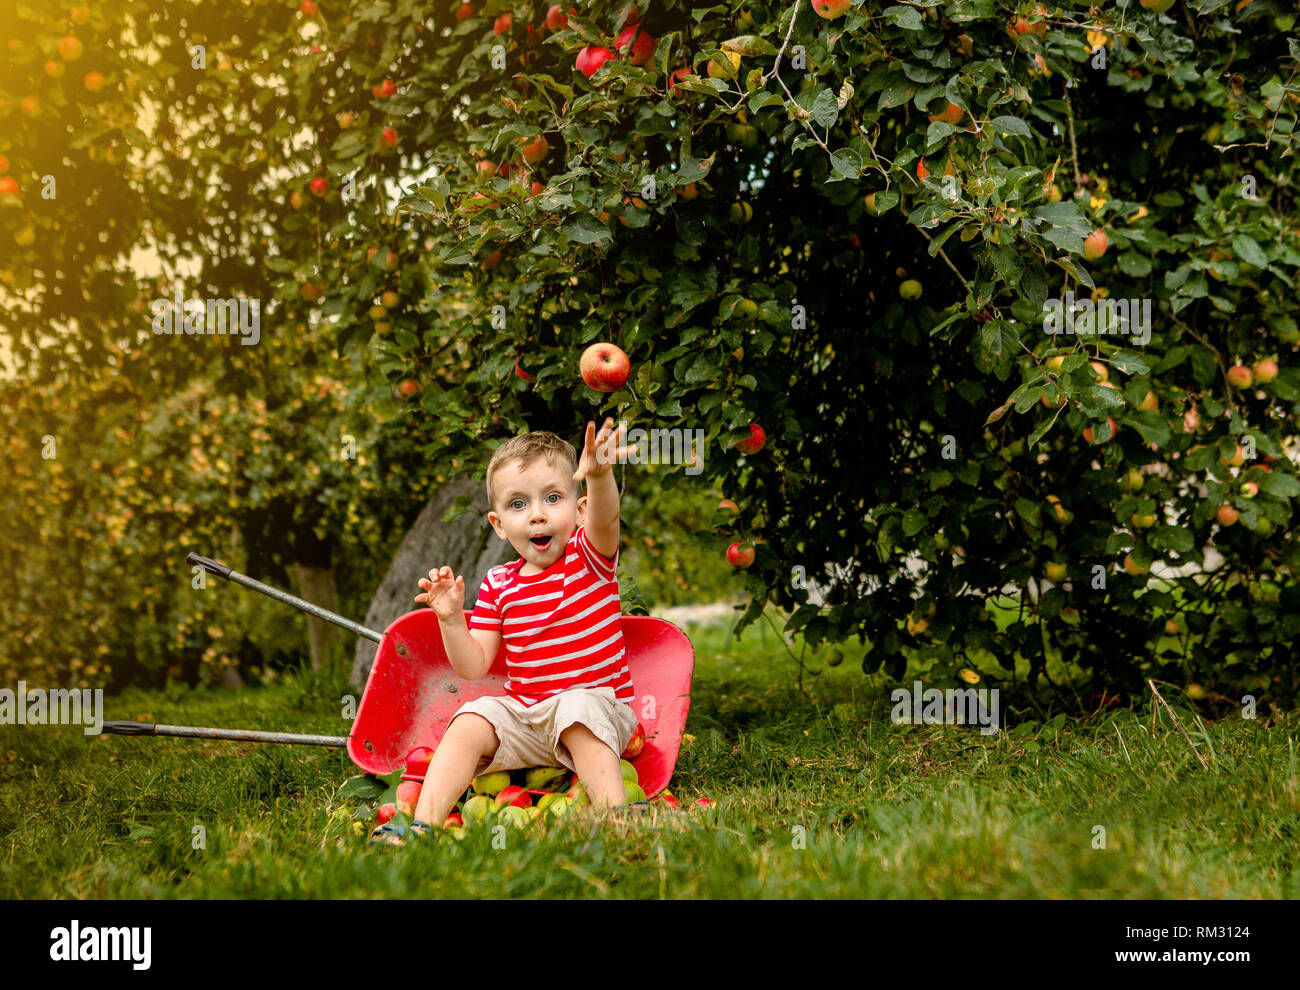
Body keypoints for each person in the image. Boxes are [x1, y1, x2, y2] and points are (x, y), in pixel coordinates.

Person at [370, 419, 640, 844]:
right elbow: (474, 665)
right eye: (518, 504)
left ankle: (617, 819)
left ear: (580, 509)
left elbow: (607, 522)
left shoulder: (587, 558)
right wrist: (451, 620)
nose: (536, 514)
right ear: (498, 524)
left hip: (598, 714)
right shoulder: (499, 583)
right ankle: (422, 823)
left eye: (553, 498)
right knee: (471, 717)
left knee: (576, 708)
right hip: (529, 718)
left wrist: (600, 475)